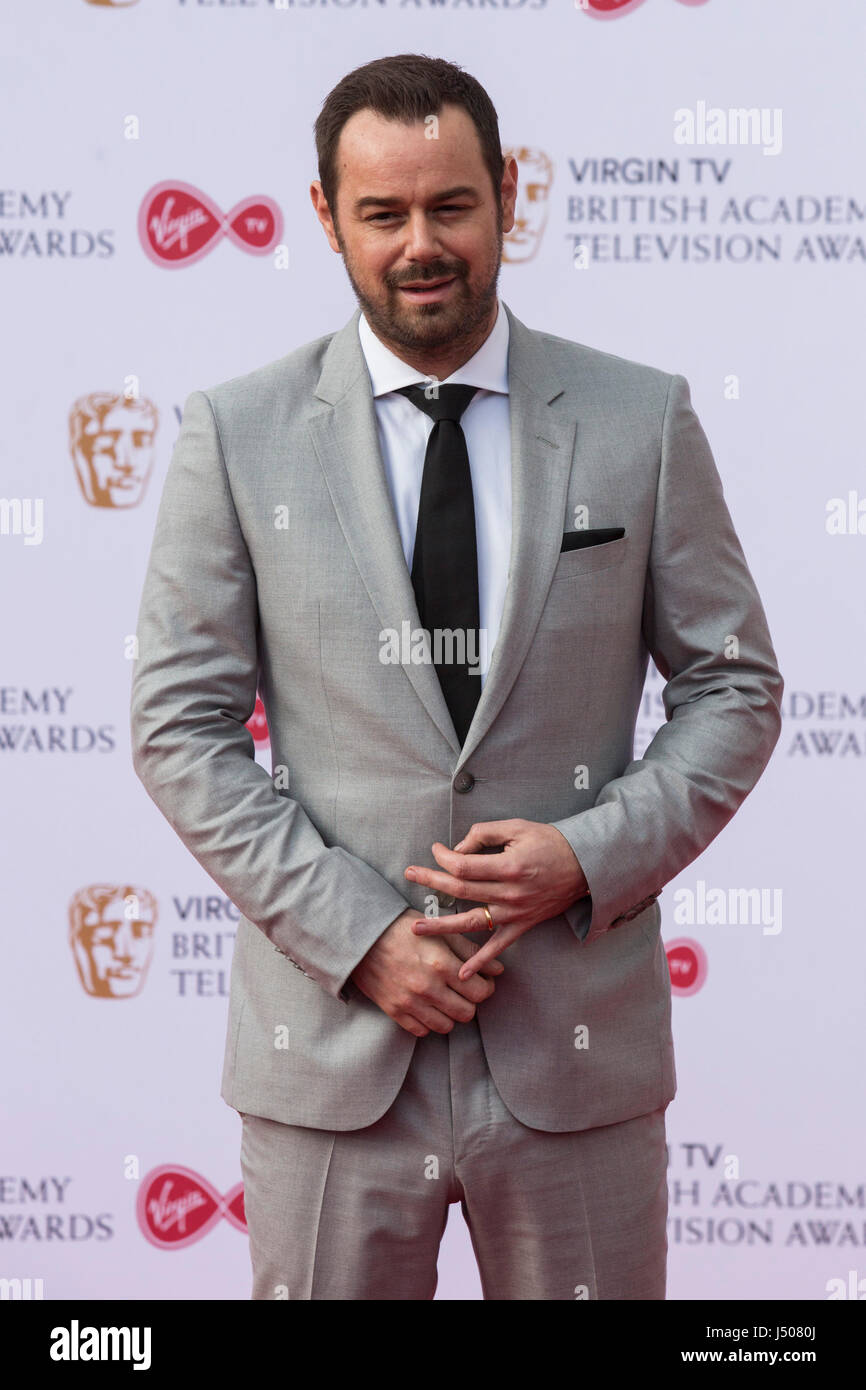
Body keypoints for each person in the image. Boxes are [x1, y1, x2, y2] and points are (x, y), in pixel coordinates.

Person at [130, 53, 783, 1300]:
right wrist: (362, 934)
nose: (419, 245)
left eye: (451, 206)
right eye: (381, 214)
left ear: (508, 196)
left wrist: (588, 852)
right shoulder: (238, 432)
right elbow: (178, 726)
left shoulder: (638, 418)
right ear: (325, 217)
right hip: (332, 1054)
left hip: (575, 1054)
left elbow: (734, 686)